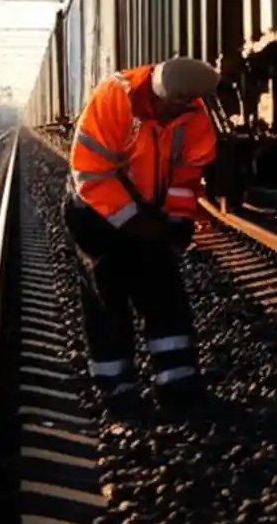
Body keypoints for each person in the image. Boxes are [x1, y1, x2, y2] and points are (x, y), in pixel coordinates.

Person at [61, 56, 219, 413]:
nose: (173, 112)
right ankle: (117, 391)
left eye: (183, 105)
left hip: (148, 214)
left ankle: (177, 385)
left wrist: (177, 223)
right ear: (157, 91)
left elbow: (186, 179)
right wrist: (135, 224)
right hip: (95, 212)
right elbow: (90, 174)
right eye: (169, 105)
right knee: (108, 298)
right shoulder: (114, 99)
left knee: (164, 294)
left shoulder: (193, 118)